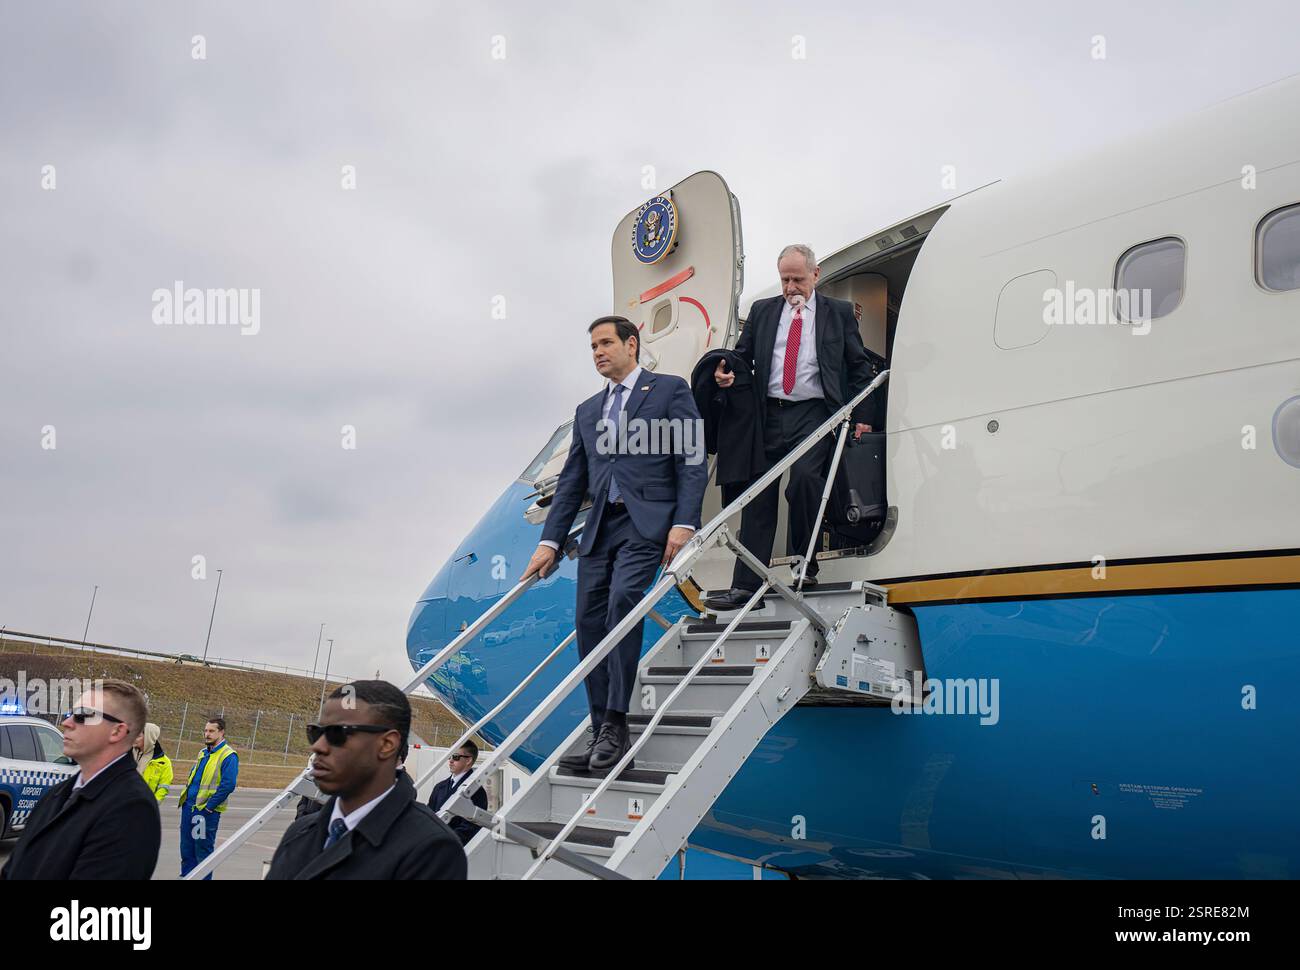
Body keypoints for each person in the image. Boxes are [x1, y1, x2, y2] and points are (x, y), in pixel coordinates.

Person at [523, 316, 708, 772]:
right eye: (592, 347)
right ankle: (598, 722)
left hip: (648, 522)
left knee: (623, 603)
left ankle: (617, 723)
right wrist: (549, 541)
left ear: (632, 344)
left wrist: (684, 523)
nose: (598, 352)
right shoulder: (588, 411)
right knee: (587, 620)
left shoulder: (669, 390)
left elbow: (692, 458)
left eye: (605, 343)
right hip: (601, 527)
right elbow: (570, 484)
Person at [704, 244, 877, 611]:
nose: (791, 286)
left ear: (815, 275)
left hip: (813, 412)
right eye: (785, 279)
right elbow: (742, 353)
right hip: (767, 415)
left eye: (798, 278)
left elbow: (858, 366)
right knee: (758, 495)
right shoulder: (763, 312)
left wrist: (863, 415)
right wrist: (725, 367)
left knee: (805, 481)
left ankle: (804, 562)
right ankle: (746, 585)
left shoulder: (839, 313)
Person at [267, 681, 467, 879]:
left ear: (387, 744)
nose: (318, 747)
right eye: (316, 733)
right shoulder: (300, 832)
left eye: (337, 734)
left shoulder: (431, 849)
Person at [1, 680, 161, 880]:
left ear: (117, 731)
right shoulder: (59, 793)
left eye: (82, 715)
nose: (67, 723)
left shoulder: (131, 809)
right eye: (70, 713)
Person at [178, 715, 239, 878]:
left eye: (211, 731)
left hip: (204, 813)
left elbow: (228, 785)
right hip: (189, 808)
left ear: (221, 733)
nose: (207, 734)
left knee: (202, 852)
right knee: (186, 850)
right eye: (205, 730)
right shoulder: (203, 753)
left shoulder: (228, 755)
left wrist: (209, 807)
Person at [428, 741, 488, 845]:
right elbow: (429, 814)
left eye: (455, 757)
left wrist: (444, 842)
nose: (450, 760)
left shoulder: (477, 792)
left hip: (452, 849)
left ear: (468, 760)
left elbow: (470, 828)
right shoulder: (439, 787)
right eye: (450, 756)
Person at [134, 722, 173, 802]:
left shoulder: (164, 762)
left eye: (138, 736)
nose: (134, 738)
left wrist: (151, 805)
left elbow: (163, 788)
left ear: (148, 738)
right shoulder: (128, 754)